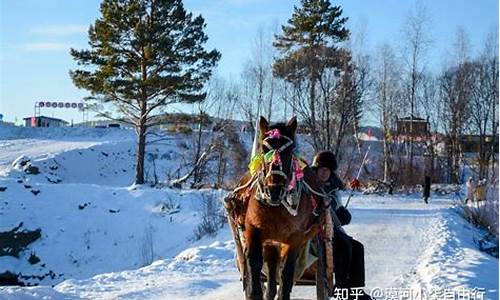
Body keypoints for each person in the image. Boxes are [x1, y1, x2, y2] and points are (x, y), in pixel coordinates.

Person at [312, 150, 371, 300]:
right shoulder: (310, 185)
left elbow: (336, 212)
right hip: (316, 228)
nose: (325, 173)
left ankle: (354, 289)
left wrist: (343, 215)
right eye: (322, 169)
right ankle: (341, 287)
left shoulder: (333, 188)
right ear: (316, 169)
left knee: (357, 247)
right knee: (344, 245)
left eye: (328, 170)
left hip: (331, 226)